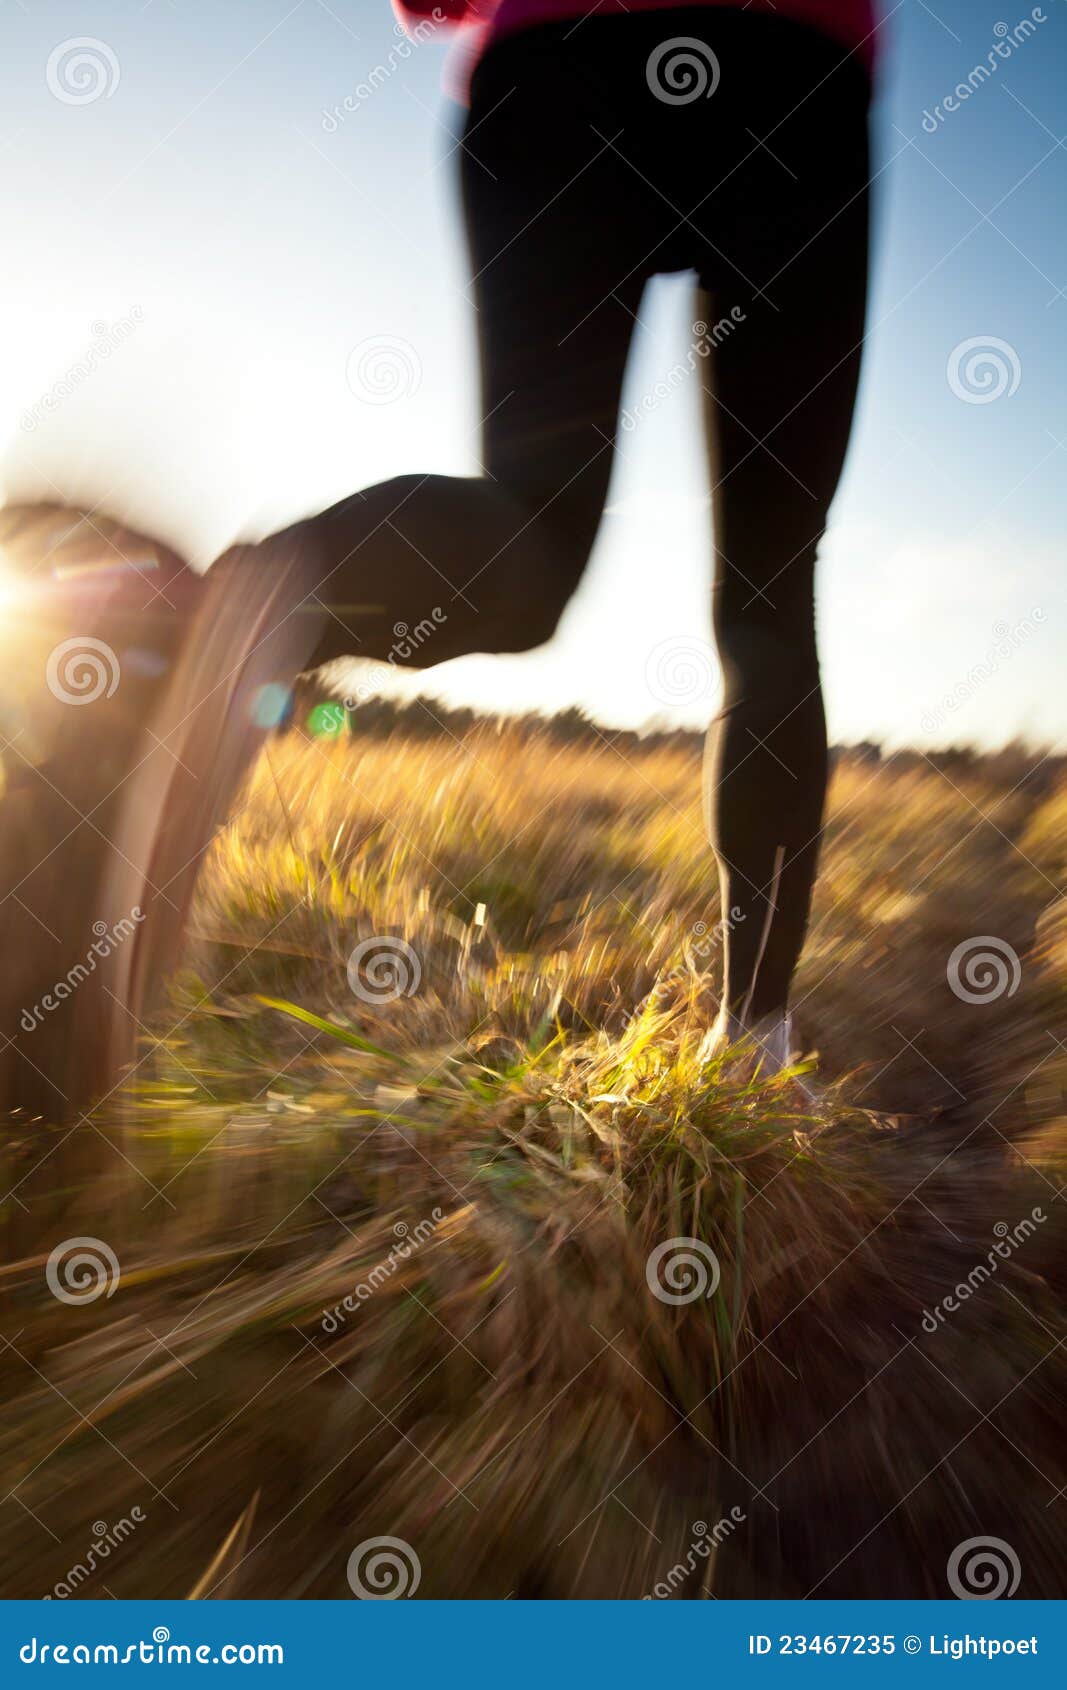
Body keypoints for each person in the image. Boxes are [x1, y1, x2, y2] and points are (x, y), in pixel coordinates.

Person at [0, 0, 879, 1121]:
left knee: (532, 530)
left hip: (553, 68)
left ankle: (248, 601)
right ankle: (752, 1045)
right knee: (766, 587)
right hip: (786, 73)